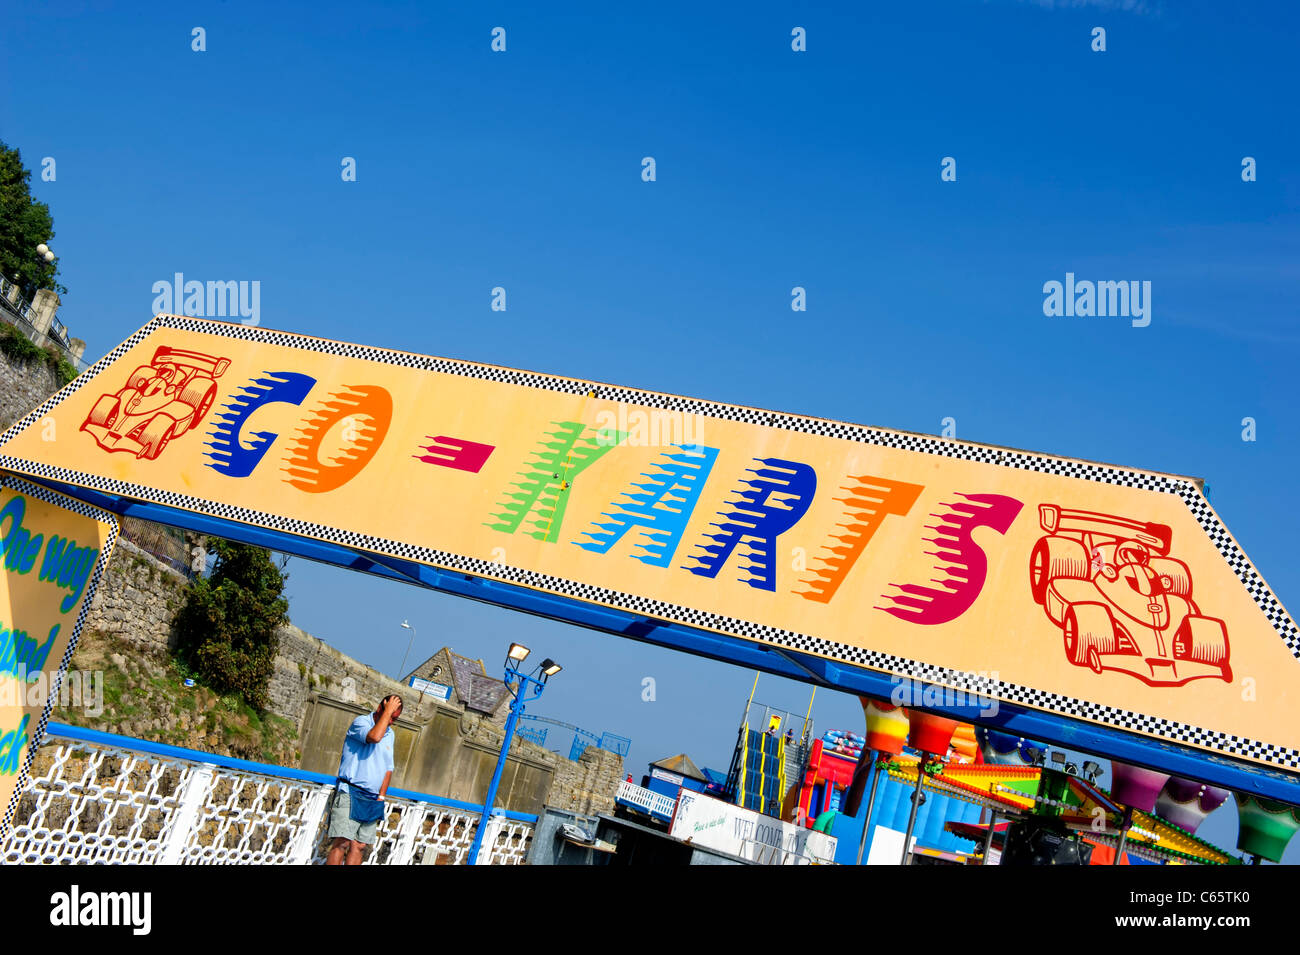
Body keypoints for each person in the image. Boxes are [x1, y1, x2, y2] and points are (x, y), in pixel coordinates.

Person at [326, 694, 402, 865]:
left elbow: (388, 768)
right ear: (380, 708)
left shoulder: (391, 734)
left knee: (359, 846)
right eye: (390, 716)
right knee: (342, 843)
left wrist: (381, 797)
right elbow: (374, 737)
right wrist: (387, 711)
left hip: (372, 798)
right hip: (350, 792)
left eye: (394, 719)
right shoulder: (361, 723)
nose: (391, 722)